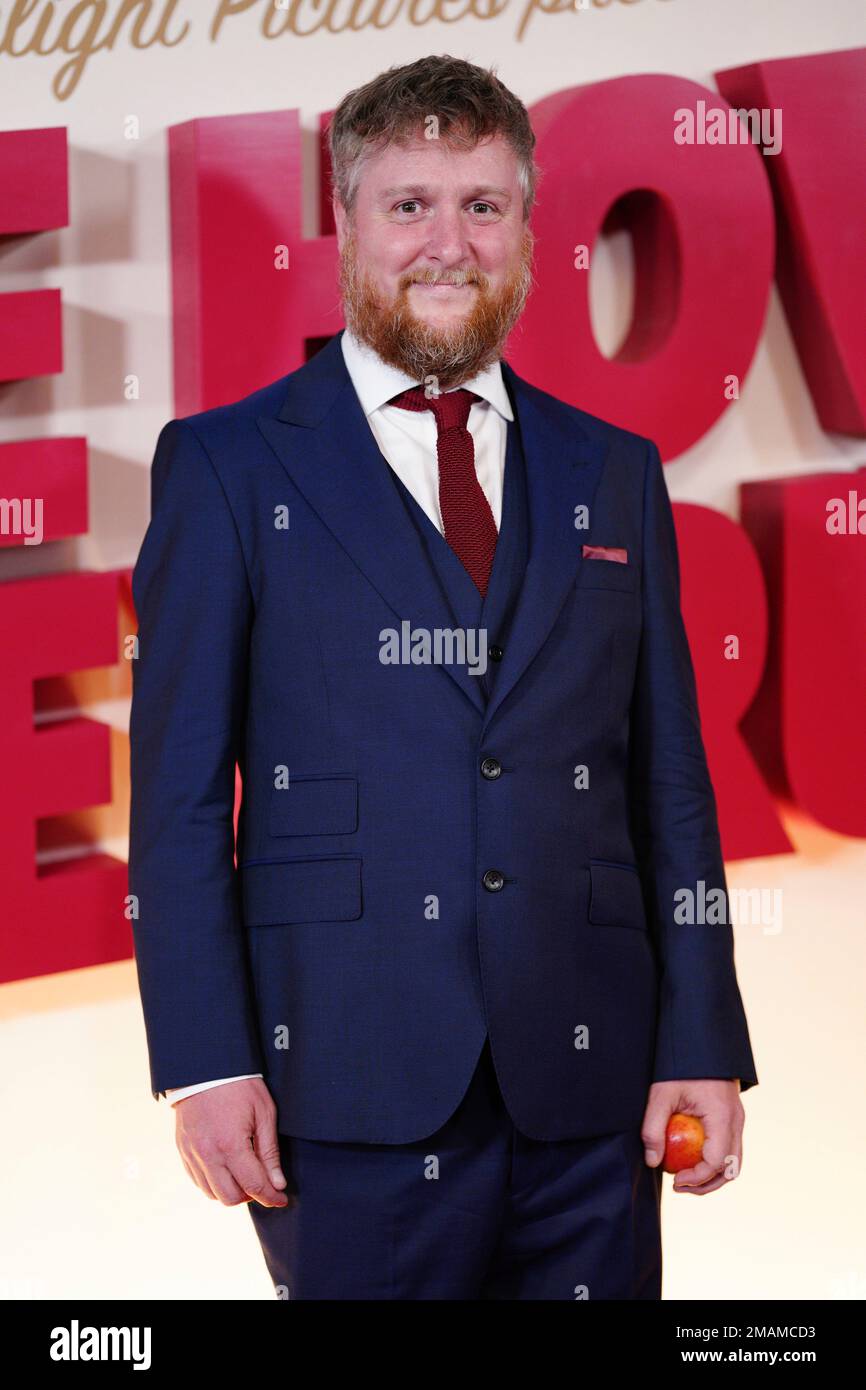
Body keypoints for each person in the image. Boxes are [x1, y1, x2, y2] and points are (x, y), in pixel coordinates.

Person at [128, 54, 758, 1300]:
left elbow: (670, 788)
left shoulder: (612, 469)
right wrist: (204, 1060)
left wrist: (701, 1038)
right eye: (409, 204)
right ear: (347, 225)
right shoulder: (224, 467)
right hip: (347, 1091)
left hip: (590, 1091)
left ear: (526, 229)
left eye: (481, 205)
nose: (447, 244)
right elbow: (180, 797)